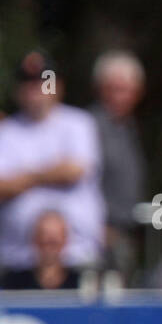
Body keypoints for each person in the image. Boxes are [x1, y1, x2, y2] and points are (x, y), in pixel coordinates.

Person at [0, 51, 105, 274]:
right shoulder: (7, 131)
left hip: (77, 258)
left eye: (43, 81)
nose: (35, 90)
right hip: (19, 260)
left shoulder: (78, 123)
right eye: (27, 83)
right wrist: (48, 173)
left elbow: (73, 171)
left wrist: (24, 179)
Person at [89, 51, 148, 281]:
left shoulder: (128, 127)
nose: (119, 97)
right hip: (99, 235)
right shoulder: (90, 127)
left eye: (125, 90)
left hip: (125, 233)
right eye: (112, 88)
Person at [0, 209, 79, 290]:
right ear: (34, 238)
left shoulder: (81, 283)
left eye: (56, 236)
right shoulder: (13, 283)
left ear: (65, 239)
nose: (50, 241)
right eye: (44, 234)